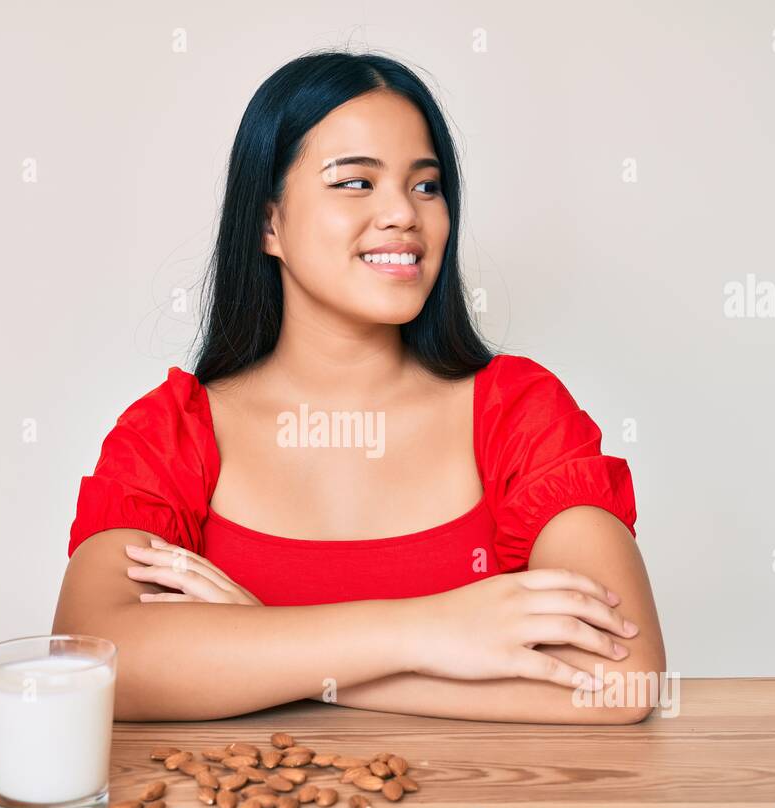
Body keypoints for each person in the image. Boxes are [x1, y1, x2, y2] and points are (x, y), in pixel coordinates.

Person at [53, 51, 666, 723]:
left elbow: (622, 680)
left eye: (426, 186)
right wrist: (424, 632)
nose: (403, 213)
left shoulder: (519, 411)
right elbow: (92, 662)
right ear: (268, 224)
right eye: (355, 182)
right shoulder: (172, 432)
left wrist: (272, 645)